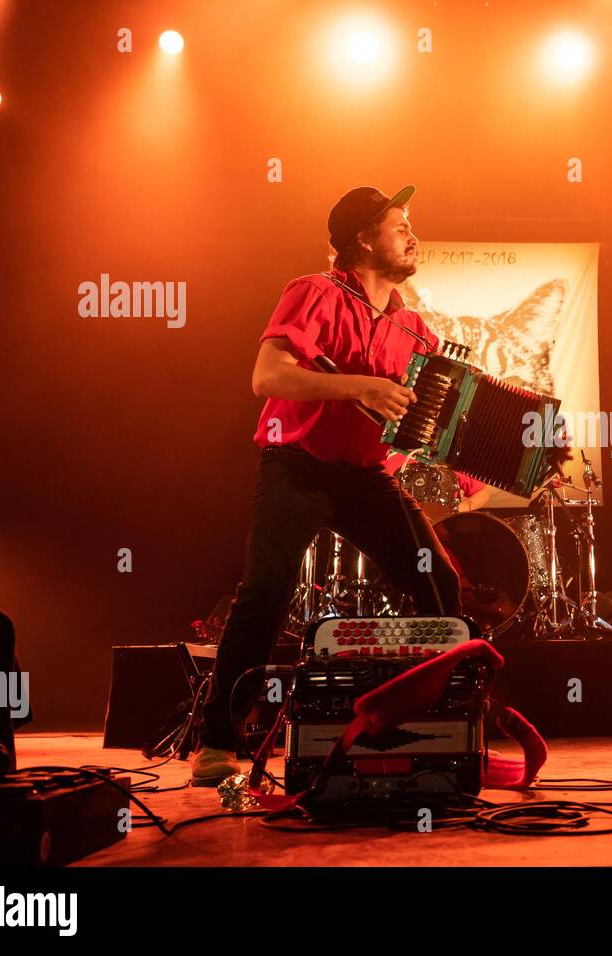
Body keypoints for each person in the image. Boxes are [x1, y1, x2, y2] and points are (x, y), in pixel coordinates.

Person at [190, 184, 462, 785]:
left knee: (438, 583)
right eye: (401, 225)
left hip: (365, 476)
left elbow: (414, 427)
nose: (414, 236)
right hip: (297, 465)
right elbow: (268, 377)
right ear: (363, 239)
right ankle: (217, 739)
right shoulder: (312, 292)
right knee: (264, 591)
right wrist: (358, 386)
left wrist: (478, 453)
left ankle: (441, 721)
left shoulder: (418, 331)